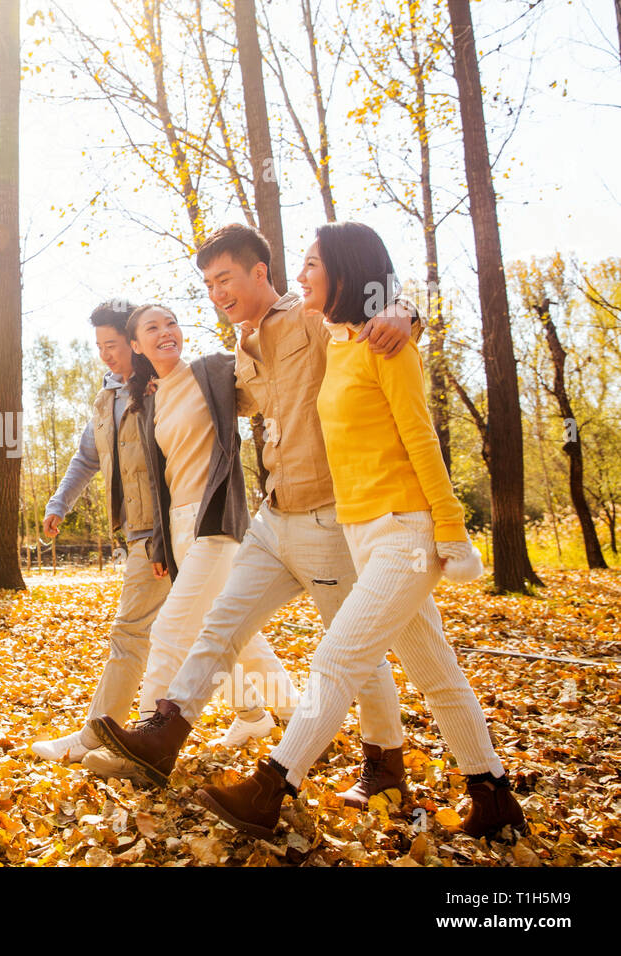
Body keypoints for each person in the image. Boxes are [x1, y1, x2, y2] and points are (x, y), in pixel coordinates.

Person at [188, 222, 524, 840]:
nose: (303, 274)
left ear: (343, 271)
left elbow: (421, 437)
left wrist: (451, 532)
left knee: (337, 659)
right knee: (437, 672)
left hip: (406, 530)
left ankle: (271, 787)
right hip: (364, 532)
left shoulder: (383, 343)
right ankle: (494, 794)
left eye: (313, 263)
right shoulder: (339, 342)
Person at [88, 223, 415, 808]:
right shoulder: (238, 351)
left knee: (353, 648)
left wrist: (404, 309)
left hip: (328, 512)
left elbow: (367, 322)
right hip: (273, 514)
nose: (216, 293)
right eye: (208, 284)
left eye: (225, 279)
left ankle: (384, 763)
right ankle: (165, 732)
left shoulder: (310, 317)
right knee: (222, 624)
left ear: (260, 272)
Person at [82, 303, 299, 786]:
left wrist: (253, 330)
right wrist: (160, 544)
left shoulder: (212, 371)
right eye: (152, 328)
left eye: (171, 323)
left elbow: (262, 378)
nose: (166, 333)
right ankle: (289, 715)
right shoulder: (151, 397)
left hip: (216, 522)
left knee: (171, 630)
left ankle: (141, 746)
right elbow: (159, 481)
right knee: (237, 634)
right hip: (179, 531)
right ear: (137, 345)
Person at [29, 300, 173, 764]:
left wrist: (164, 535)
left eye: (111, 345)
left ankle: (97, 733)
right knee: (222, 625)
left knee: (130, 632)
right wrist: (59, 503)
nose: (105, 355)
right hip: (138, 530)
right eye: (99, 347)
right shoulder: (107, 394)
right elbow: (87, 457)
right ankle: (256, 710)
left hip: (161, 532)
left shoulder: (163, 385)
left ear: (134, 341)